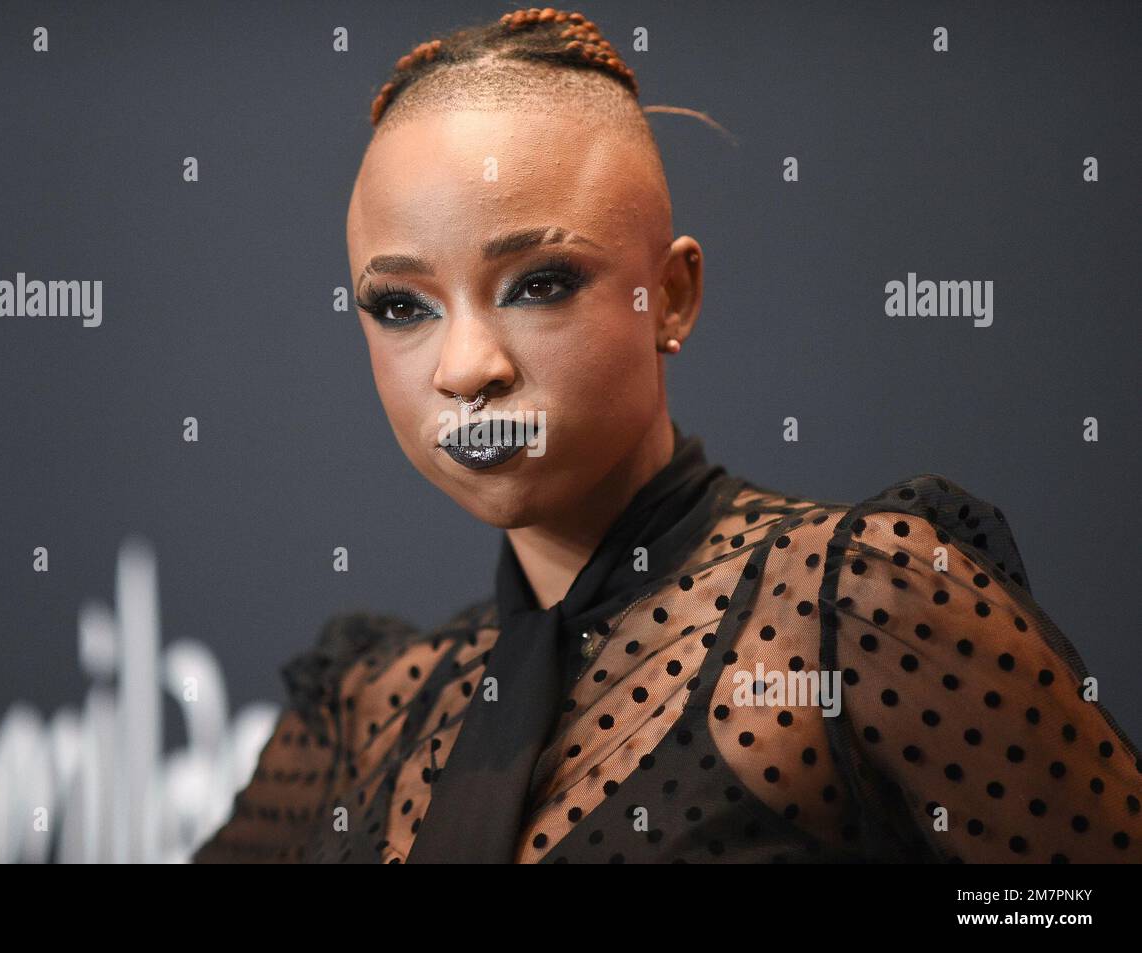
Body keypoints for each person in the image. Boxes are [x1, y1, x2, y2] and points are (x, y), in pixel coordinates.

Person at [192, 8, 1140, 863]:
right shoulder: (367, 711)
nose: (465, 367)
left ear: (672, 295)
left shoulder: (856, 610)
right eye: (402, 305)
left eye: (540, 283)